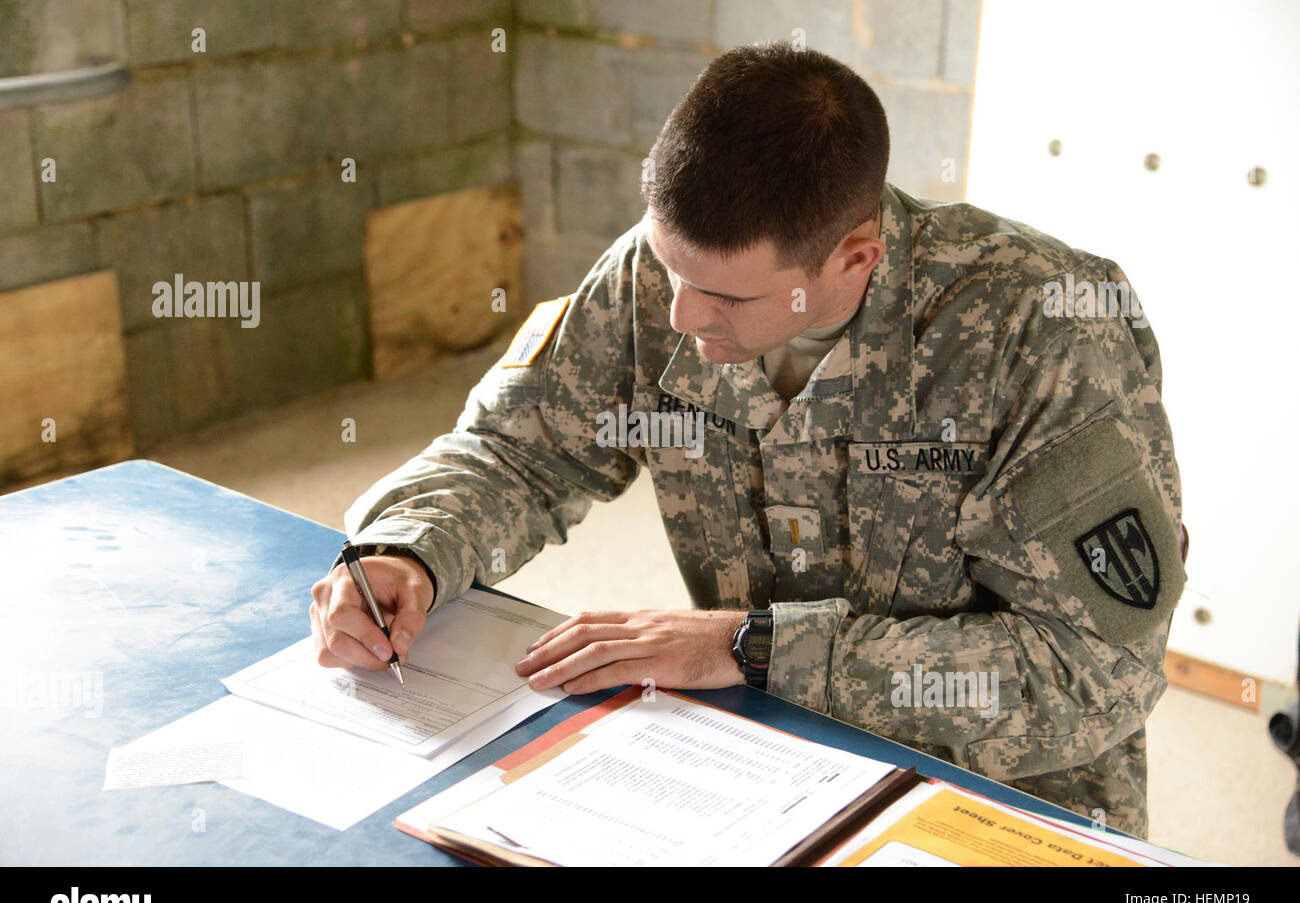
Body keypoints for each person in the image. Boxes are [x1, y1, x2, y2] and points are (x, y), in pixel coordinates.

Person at [308, 42, 1185, 838]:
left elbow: (1094, 672)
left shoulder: (1041, 330)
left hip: (997, 804)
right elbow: (518, 451)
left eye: (728, 298)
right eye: (669, 268)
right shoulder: (671, 273)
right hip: (758, 773)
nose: (681, 316)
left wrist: (750, 648)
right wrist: (408, 549)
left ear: (854, 259)